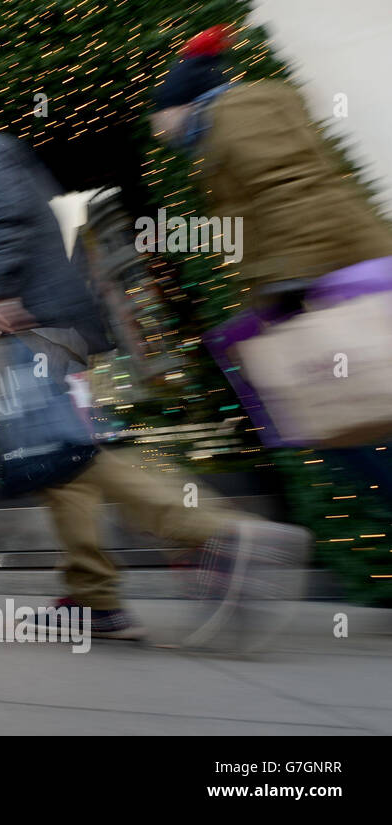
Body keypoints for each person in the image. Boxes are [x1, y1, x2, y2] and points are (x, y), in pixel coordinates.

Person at [0, 119, 310, 645]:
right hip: (33, 322)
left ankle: (220, 536)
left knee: (61, 449)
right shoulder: (1, 155)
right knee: (58, 461)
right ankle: (94, 599)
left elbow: (0, 214)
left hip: (18, 323)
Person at [150, 24, 392, 502]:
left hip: (323, 270)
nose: (159, 131)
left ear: (185, 104)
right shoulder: (238, 116)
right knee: (339, 412)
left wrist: (289, 280)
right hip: (330, 266)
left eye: (161, 117)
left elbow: (287, 188)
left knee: (338, 411)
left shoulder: (236, 116)